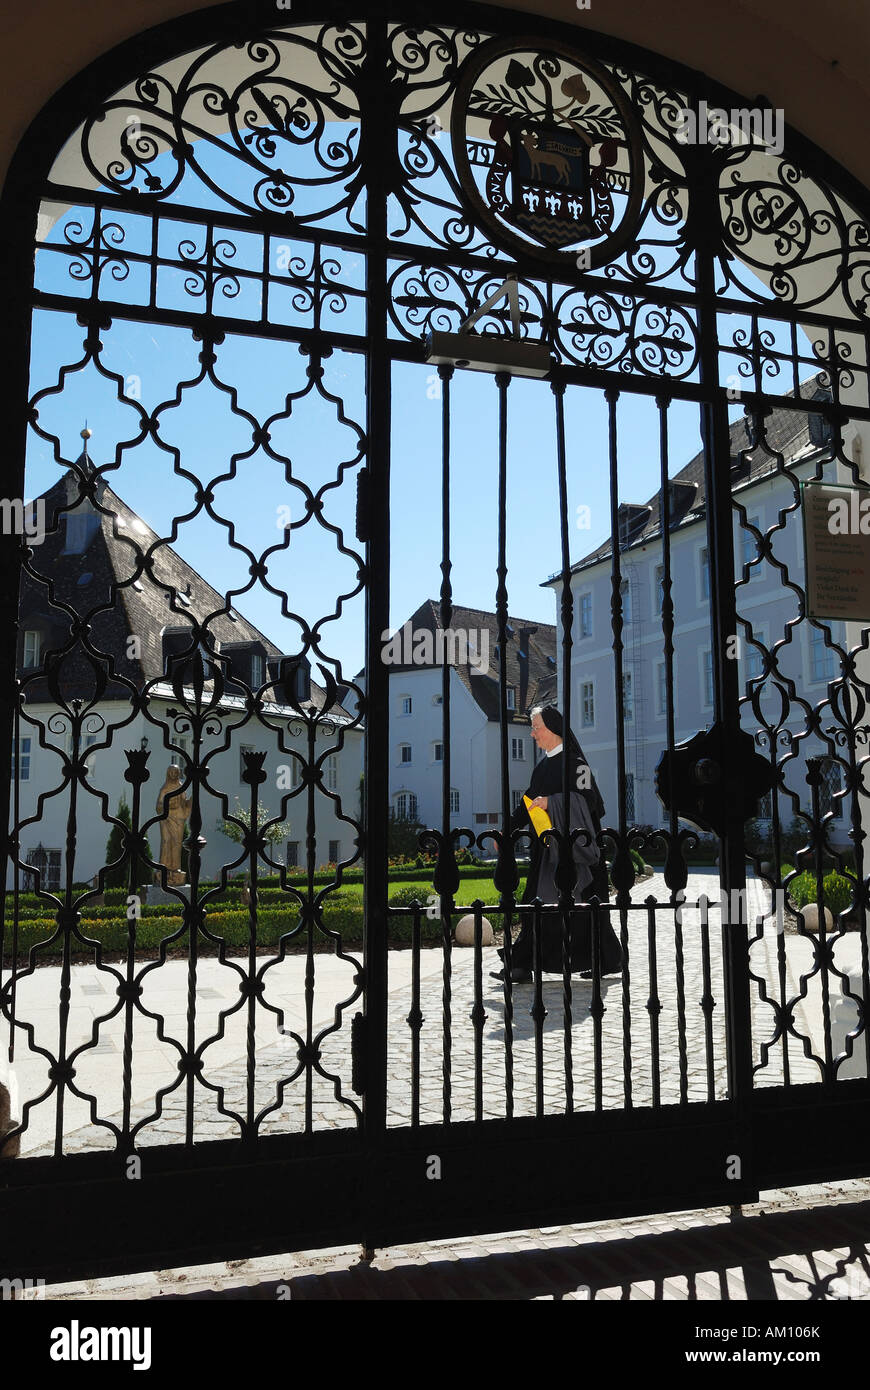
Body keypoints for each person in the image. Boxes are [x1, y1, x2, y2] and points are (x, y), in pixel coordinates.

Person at [491, 703, 623, 983]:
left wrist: (553, 802)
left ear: (552, 729)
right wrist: (507, 832)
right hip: (547, 851)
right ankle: (524, 962)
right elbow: (527, 802)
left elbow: (592, 804)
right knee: (536, 904)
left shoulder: (578, 765)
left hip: (577, 850)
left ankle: (607, 959)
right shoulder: (541, 768)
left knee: (589, 909)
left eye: (536, 728)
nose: (532, 734)